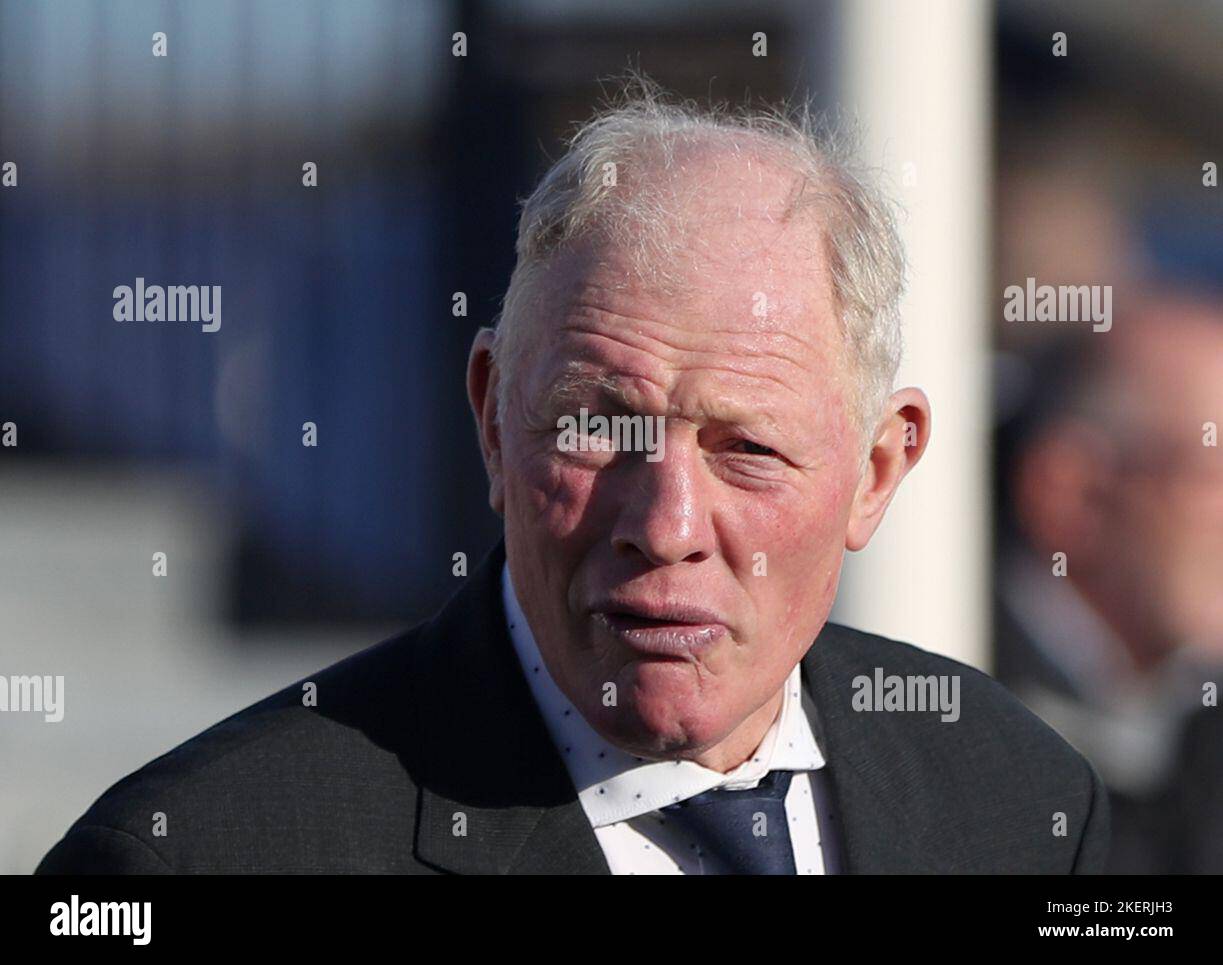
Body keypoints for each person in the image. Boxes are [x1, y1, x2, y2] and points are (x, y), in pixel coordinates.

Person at [38, 80, 1107, 875]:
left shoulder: (1020, 801)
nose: (667, 523)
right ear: (494, 421)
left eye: (746, 447)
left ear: (878, 468)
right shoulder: (204, 855)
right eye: (598, 425)